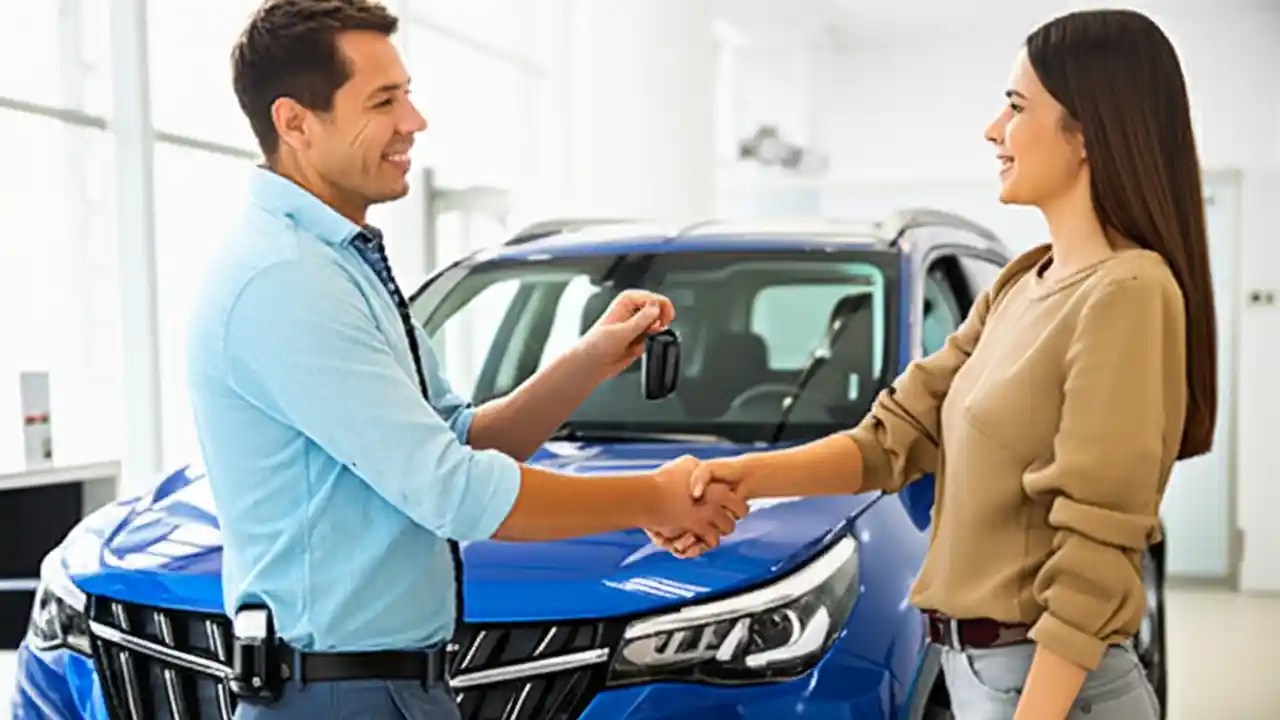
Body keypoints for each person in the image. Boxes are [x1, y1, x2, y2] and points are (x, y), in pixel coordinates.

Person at [649, 9, 1215, 719]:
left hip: (1053, 689)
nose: (992, 130)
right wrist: (737, 477)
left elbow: (1097, 544)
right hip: (975, 673)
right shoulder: (1021, 284)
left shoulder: (1128, 293)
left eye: (1015, 107)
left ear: (1088, 132)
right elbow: (892, 439)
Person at [185, 1, 745, 718]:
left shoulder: (338, 264)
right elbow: (452, 490)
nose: (413, 122)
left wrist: (589, 361)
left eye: (407, 94)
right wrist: (651, 498)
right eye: (384, 101)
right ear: (295, 122)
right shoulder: (285, 281)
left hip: (387, 685)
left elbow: (460, 438)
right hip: (331, 695)